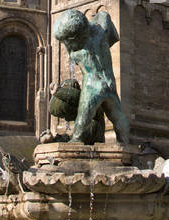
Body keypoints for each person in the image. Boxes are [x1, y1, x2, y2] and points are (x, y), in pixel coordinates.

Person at [52, 8, 130, 144]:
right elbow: (105, 17)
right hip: (109, 83)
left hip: (93, 85)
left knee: (84, 117)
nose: (65, 44)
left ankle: (76, 139)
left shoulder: (78, 52)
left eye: (66, 40)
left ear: (74, 37)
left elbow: (72, 50)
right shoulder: (101, 34)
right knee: (118, 116)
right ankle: (124, 142)